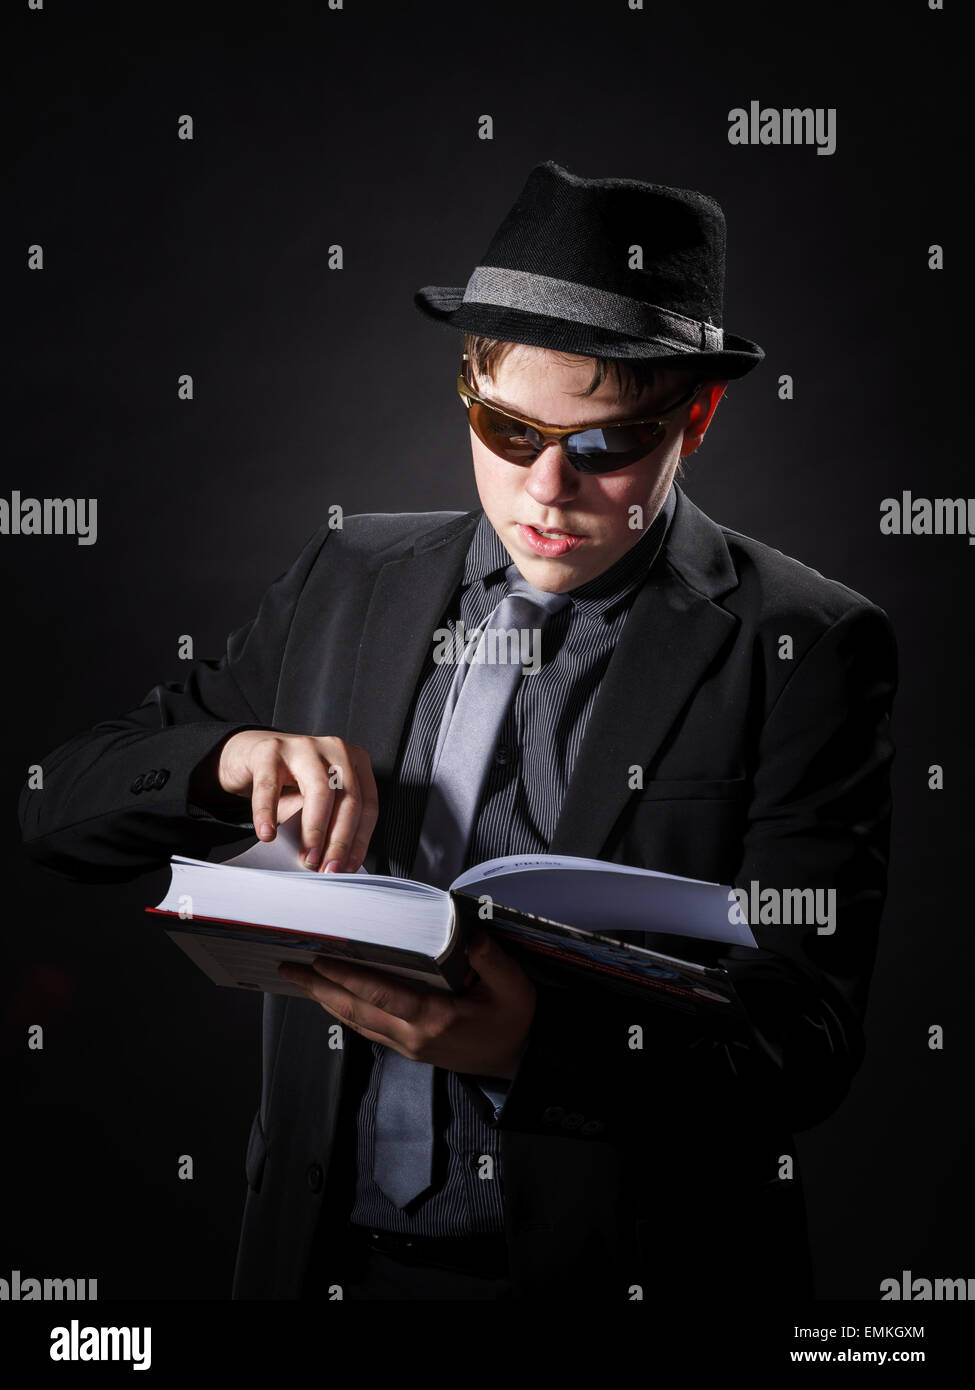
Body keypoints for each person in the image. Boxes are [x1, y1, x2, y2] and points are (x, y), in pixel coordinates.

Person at [19, 160, 897, 1302]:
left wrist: (539, 1046)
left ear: (699, 416)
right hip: (323, 1272)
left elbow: (808, 1044)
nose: (546, 488)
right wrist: (223, 762)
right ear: (467, 384)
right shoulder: (348, 574)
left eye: (605, 448)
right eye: (508, 427)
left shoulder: (810, 643)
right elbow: (57, 807)